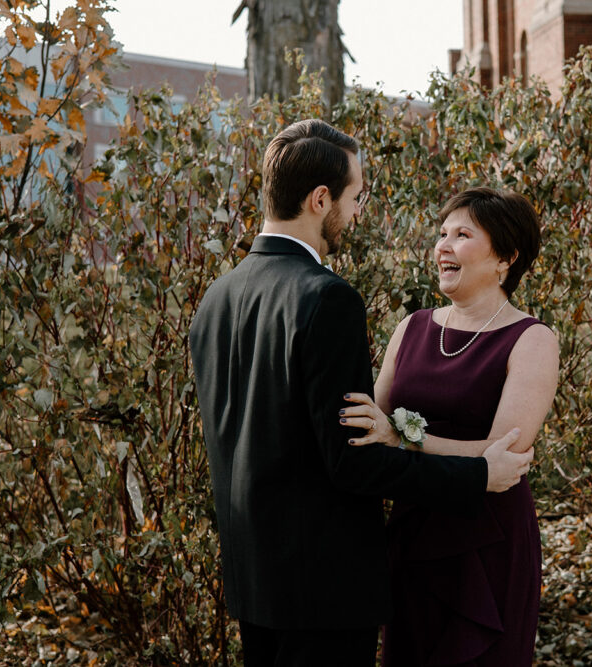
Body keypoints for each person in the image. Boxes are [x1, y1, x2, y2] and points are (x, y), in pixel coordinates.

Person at [188, 121, 535, 667]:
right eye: (354, 198)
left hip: (254, 582)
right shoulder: (327, 299)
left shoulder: (217, 298)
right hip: (324, 588)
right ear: (320, 198)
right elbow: (353, 462)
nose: (356, 213)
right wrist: (475, 475)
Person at [341, 187, 561, 666]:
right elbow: (369, 428)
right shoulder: (412, 327)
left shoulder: (532, 340)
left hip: (488, 545)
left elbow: (503, 457)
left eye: (462, 235)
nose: (442, 245)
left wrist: (402, 439)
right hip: (413, 535)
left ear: (505, 257)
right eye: (442, 234)